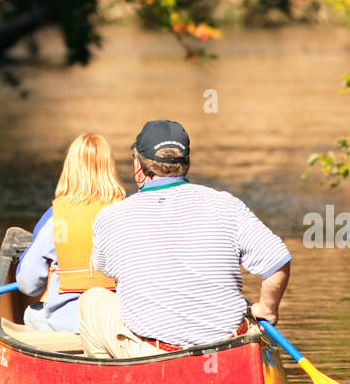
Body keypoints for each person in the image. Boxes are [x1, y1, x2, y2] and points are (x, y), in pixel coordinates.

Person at [77, 119, 291, 358]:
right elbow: (277, 262)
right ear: (186, 164)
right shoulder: (226, 205)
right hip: (229, 347)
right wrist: (266, 309)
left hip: (155, 354)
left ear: (138, 165)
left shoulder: (111, 217)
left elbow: (105, 269)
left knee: (92, 300)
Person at [16, 133, 126, 331]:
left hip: (69, 323)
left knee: (31, 313)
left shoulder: (55, 219)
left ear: (69, 169)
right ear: (110, 168)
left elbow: (28, 285)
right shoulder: (127, 213)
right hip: (117, 321)